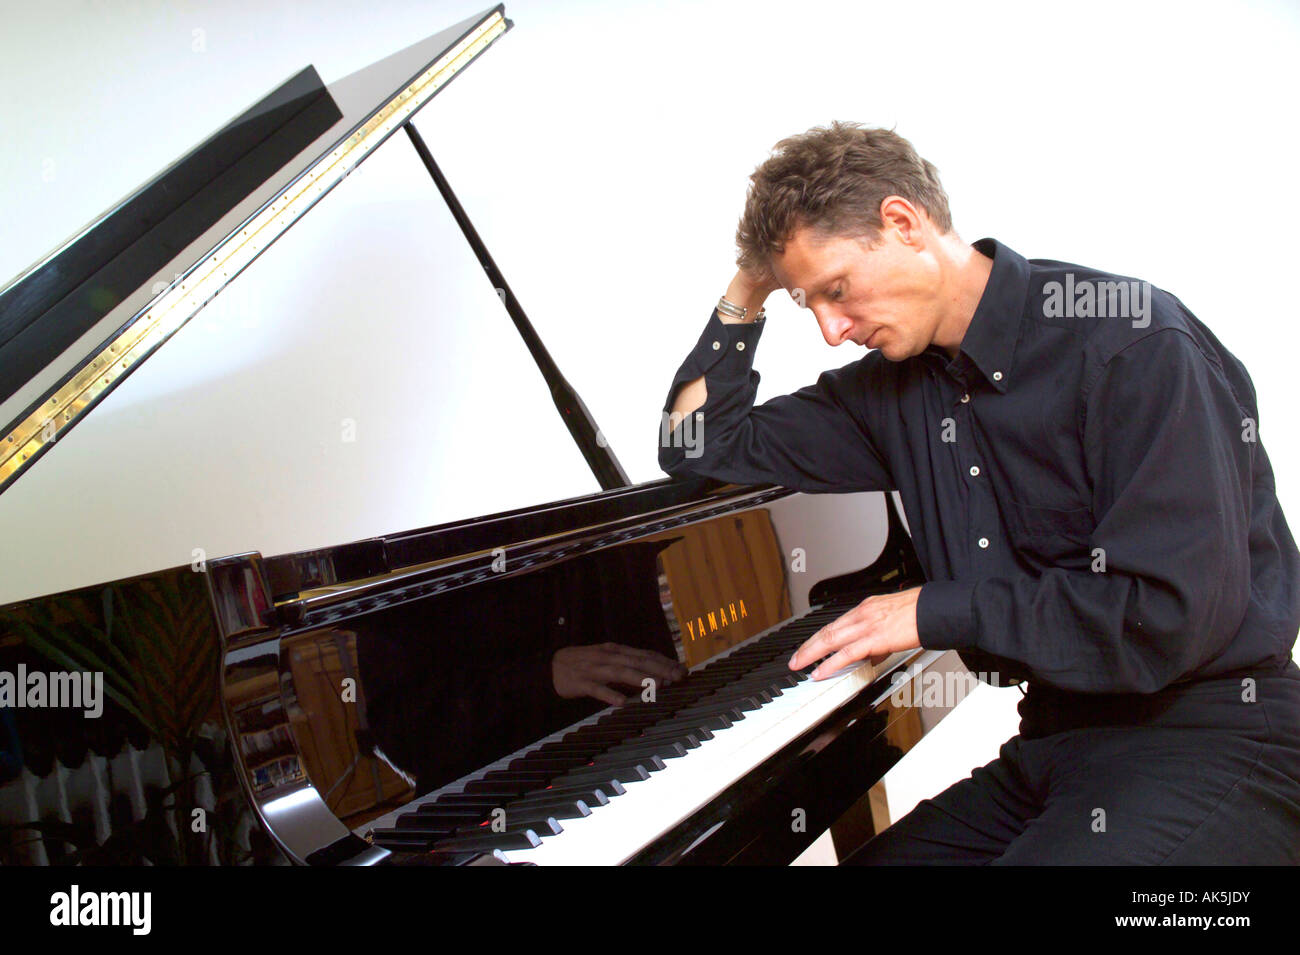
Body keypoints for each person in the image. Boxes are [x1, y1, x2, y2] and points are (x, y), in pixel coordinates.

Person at [658, 121, 1300, 864]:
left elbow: (1166, 615)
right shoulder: (886, 390)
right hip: (1053, 747)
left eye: (836, 290)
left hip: (1214, 741)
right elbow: (696, 448)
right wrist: (752, 282)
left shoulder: (1132, 342)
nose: (831, 331)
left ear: (902, 223)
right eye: (811, 305)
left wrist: (937, 609)